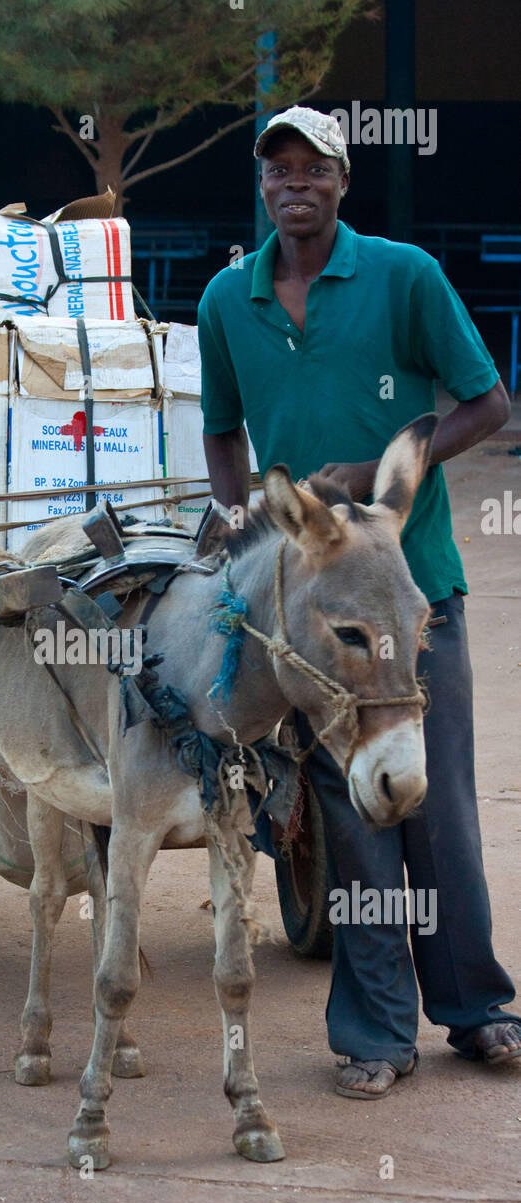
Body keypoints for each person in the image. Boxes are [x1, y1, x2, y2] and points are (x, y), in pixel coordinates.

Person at [197, 105, 521, 1096]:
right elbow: (219, 428)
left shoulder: (402, 276)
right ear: (262, 189)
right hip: (307, 620)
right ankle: (376, 1037)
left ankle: (473, 1008)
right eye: (276, 171)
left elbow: (486, 401)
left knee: (435, 807)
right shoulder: (225, 299)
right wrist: (232, 514)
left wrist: (396, 469)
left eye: (312, 169)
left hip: (409, 594)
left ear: (342, 181)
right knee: (353, 822)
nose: (292, 184)